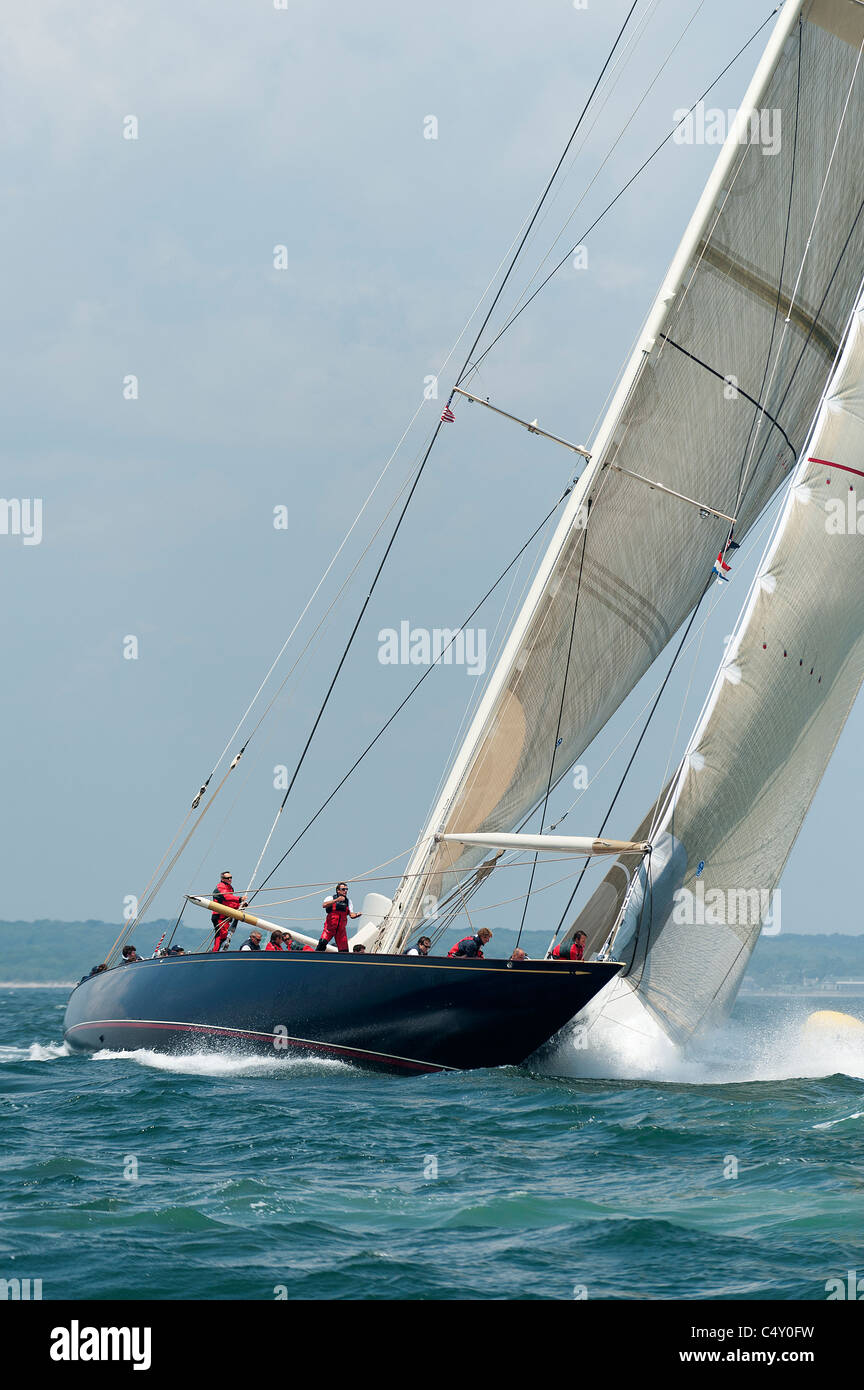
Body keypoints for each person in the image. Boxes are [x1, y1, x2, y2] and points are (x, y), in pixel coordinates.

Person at [316, 881, 361, 953]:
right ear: (338, 890)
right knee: (322, 943)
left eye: (346, 889)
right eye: (343, 889)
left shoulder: (348, 901)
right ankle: (316, 959)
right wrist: (337, 900)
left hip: (341, 930)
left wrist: (356, 915)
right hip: (329, 928)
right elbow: (324, 905)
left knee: (344, 951)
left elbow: (351, 915)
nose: (345, 891)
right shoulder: (330, 897)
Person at [210, 869, 247, 953]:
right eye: (228, 878)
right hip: (219, 916)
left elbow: (230, 903)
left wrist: (240, 906)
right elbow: (226, 897)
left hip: (226, 916)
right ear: (222, 879)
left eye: (231, 878)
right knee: (220, 935)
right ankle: (215, 952)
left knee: (224, 936)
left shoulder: (230, 888)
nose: (230, 879)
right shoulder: (220, 887)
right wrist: (239, 899)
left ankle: (218, 951)